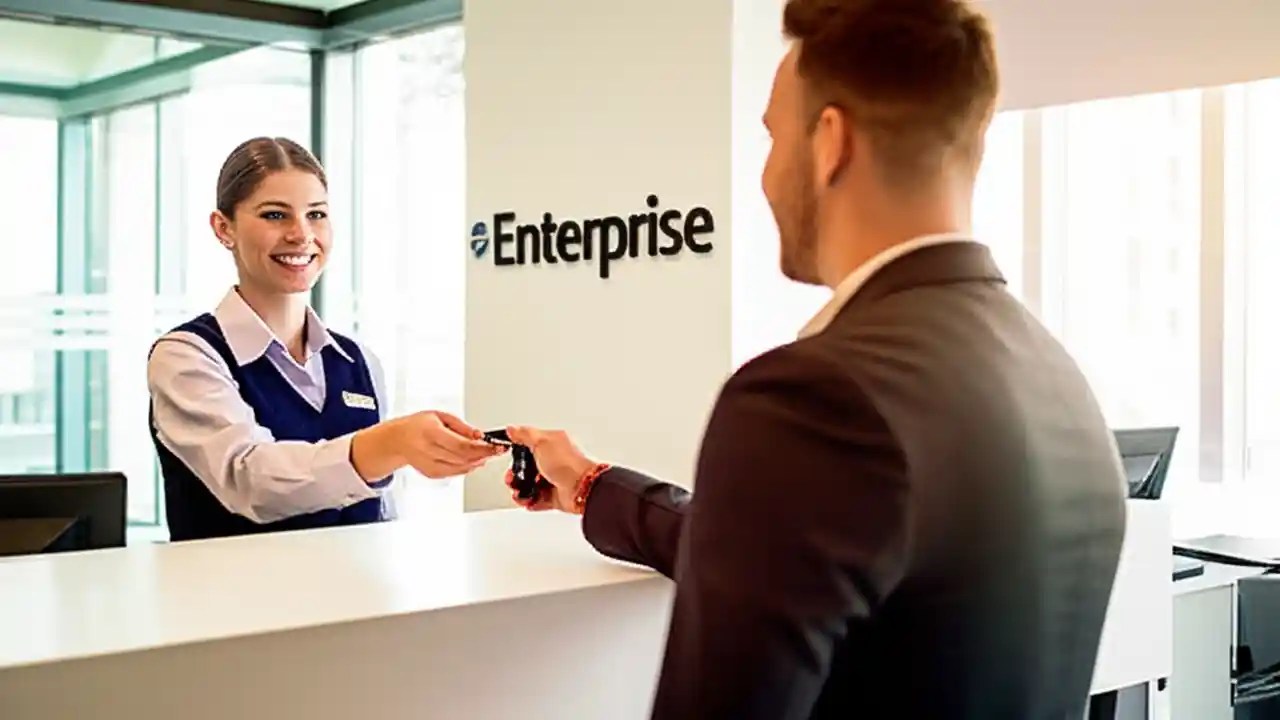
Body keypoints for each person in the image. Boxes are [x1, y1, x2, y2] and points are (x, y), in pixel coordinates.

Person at [503, 1, 1128, 718]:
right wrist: (590, 484)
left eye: (771, 136)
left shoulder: (810, 396)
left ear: (830, 142)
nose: (765, 177)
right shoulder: (1058, 379)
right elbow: (814, 557)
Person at [147, 137, 502, 542]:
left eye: (316, 215)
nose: (301, 234)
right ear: (223, 227)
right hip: (235, 601)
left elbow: (382, 512)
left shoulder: (358, 361)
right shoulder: (187, 356)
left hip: (357, 600)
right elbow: (249, 481)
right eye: (275, 215)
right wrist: (392, 443)